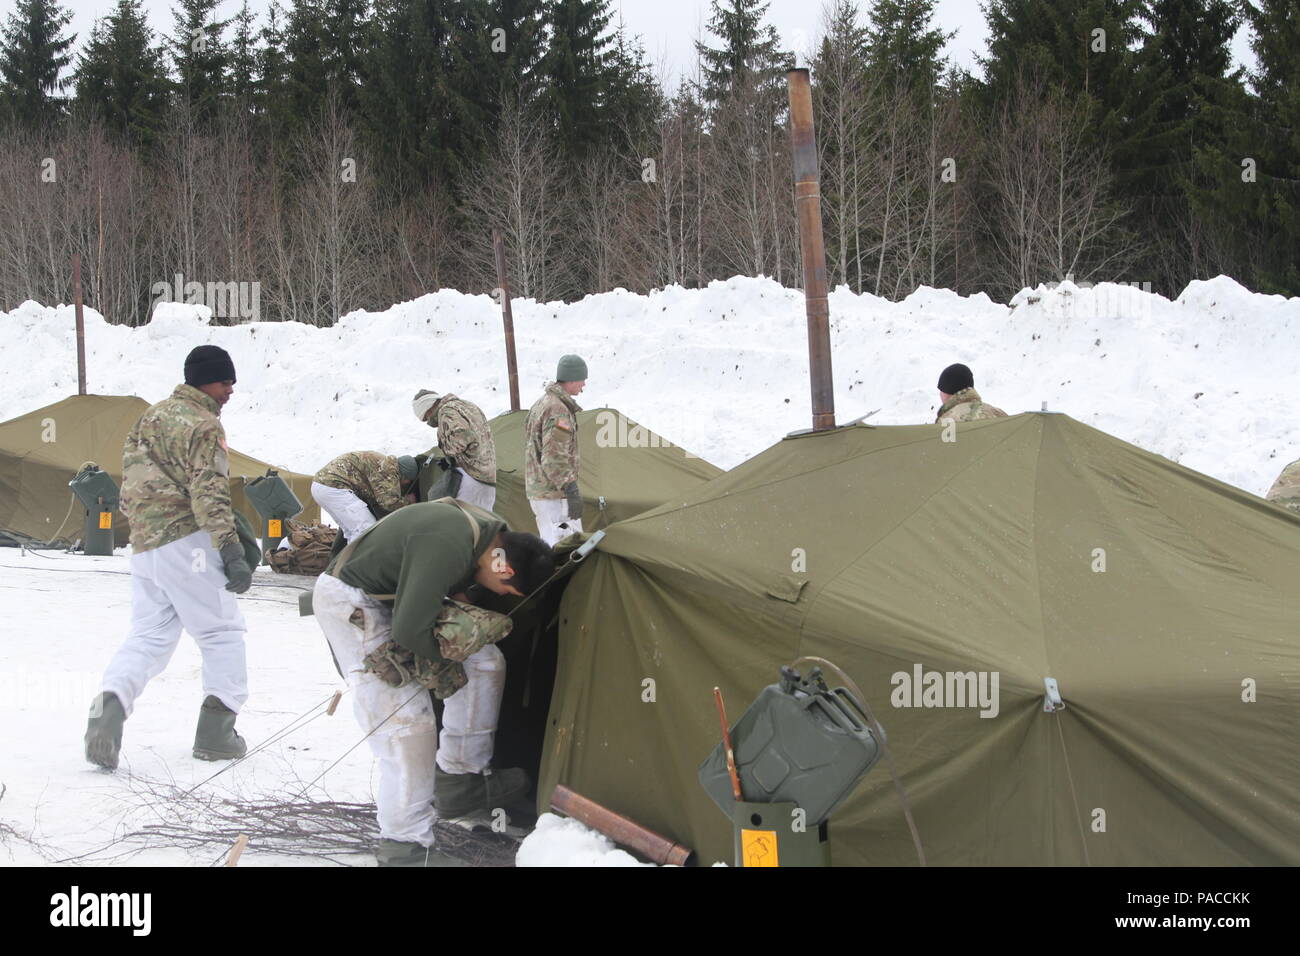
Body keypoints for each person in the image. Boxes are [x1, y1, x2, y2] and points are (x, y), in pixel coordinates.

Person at [311, 499, 553, 866]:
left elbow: (446, 588)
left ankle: (460, 780)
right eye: (508, 591)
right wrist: (443, 666)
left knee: (484, 661)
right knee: (407, 725)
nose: (502, 596)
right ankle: (405, 847)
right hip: (353, 604)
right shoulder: (449, 543)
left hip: (395, 599)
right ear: (503, 568)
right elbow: (410, 630)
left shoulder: (493, 536)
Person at [85, 345, 253, 770]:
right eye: (224, 381)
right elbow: (209, 488)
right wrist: (230, 547)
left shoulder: (151, 416)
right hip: (187, 540)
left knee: (148, 636)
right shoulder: (204, 424)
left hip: (145, 547)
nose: (231, 389)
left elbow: (133, 477)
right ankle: (216, 735)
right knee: (222, 633)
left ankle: (107, 712)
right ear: (204, 381)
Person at [525, 355, 586, 546]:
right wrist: (571, 488)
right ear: (572, 378)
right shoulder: (557, 410)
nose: (584, 384)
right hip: (554, 496)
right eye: (582, 379)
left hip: (543, 492)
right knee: (566, 548)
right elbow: (553, 458)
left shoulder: (542, 403)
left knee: (552, 544)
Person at [412, 390, 498, 511]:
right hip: (486, 476)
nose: (429, 421)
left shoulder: (446, 412)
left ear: (429, 408)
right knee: (484, 522)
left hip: (471, 477)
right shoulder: (466, 405)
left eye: (426, 417)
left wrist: (447, 450)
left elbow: (462, 436)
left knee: (460, 519)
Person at [311, 451, 418, 543]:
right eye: (408, 480)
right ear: (404, 474)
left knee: (352, 532)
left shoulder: (383, 462)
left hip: (322, 486)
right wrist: (408, 502)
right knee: (366, 529)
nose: (406, 483)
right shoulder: (388, 471)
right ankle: (356, 565)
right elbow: (388, 503)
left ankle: (345, 562)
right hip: (334, 488)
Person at [934, 363, 1008, 424]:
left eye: (941, 390)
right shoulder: (998, 414)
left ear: (947, 392)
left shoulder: (947, 422)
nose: (940, 394)